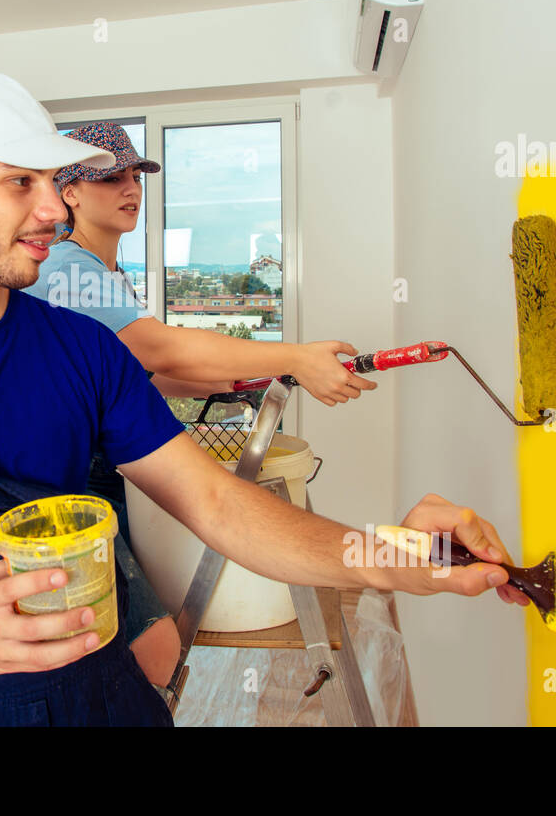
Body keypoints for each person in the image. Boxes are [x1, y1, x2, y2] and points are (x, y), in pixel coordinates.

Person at [0, 70, 529, 728]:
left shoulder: (80, 351)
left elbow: (218, 504)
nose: (53, 209)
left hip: (103, 705)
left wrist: (386, 557)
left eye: (53, 183)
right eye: (21, 182)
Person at [21, 121, 380, 688]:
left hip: (93, 466)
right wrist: (297, 356)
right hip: (59, 479)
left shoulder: (104, 274)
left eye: (135, 174)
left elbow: (147, 375)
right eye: (109, 177)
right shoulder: (69, 270)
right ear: (69, 193)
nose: (130, 187)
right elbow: (158, 349)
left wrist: (249, 379)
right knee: (149, 646)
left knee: (127, 637)